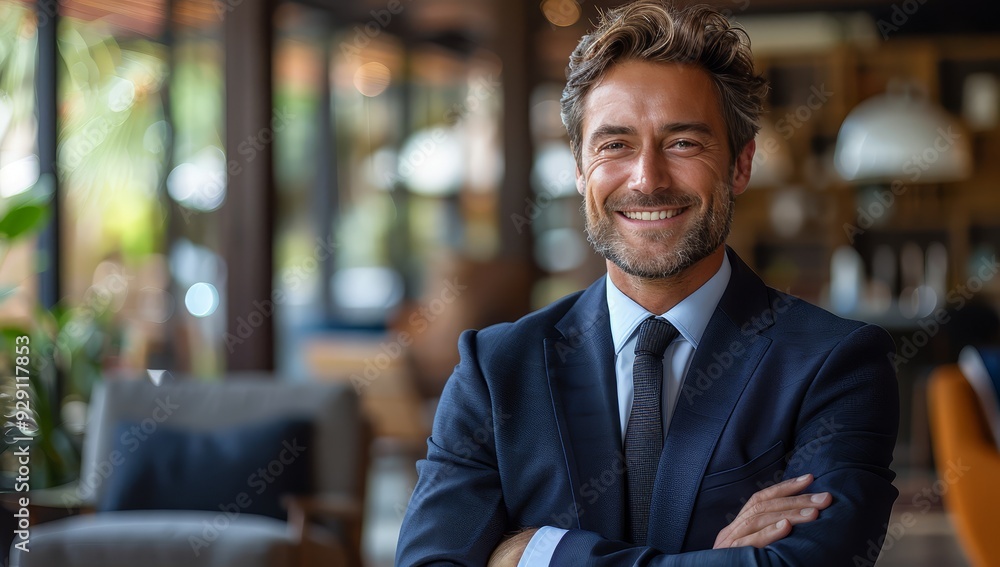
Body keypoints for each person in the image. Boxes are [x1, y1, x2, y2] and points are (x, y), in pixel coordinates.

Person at [396, 1, 899, 565]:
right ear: (580, 169)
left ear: (740, 164)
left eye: (684, 142)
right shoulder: (496, 371)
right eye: (615, 145)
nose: (647, 179)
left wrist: (534, 554)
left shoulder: (836, 366)